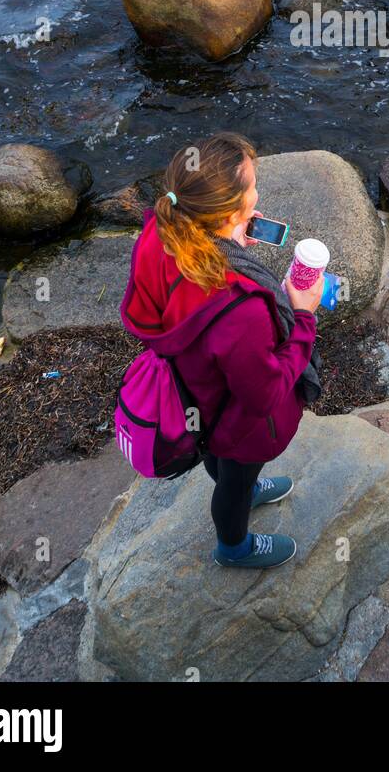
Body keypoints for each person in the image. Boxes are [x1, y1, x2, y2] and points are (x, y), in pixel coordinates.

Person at [123, 133, 322, 570]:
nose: (258, 193)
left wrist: (232, 242)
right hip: (235, 417)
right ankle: (234, 546)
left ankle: (243, 487)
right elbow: (265, 394)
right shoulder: (240, 307)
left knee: (219, 457)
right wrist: (304, 315)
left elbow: (149, 309)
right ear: (230, 209)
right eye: (252, 187)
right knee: (233, 479)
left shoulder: (161, 230)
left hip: (194, 392)